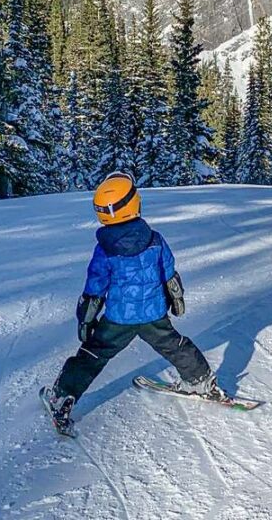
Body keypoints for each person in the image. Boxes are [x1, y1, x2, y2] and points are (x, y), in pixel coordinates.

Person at [41, 171, 226, 433]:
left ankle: (62, 397)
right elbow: (168, 272)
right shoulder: (154, 239)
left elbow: (95, 286)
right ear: (133, 204)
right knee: (175, 345)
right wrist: (176, 296)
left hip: (119, 318)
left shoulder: (105, 249)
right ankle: (200, 380)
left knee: (92, 355)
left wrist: (87, 318)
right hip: (153, 314)